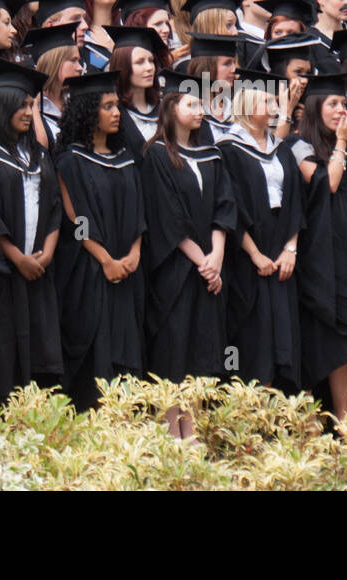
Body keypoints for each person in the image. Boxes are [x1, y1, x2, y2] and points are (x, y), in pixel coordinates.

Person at [140, 72, 238, 437]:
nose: (201, 111)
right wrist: (203, 262)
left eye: (202, 104)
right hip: (175, 270)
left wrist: (217, 257)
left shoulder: (211, 154)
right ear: (170, 108)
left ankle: (193, 430)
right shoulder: (156, 156)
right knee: (173, 347)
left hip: (209, 268)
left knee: (202, 347)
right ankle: (171, 431)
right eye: (192, 104)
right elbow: (167, 216)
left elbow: (225, 207)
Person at [53, 71, 147, 411]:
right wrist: (104, 258)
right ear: (88, 111)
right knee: (97, 356)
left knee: (127, 354)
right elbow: (75, 222)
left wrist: (134, 251)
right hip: (91, 274)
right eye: (107, 106)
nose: (116, 112)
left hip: (128, 271)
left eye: (117, 105)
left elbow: (139, 210)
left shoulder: (126, 159)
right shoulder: (70, 161)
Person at [289, 73, 347, 419]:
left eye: (344, 104)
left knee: (346, 332)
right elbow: (328, 183)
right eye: (333, 104)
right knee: (318, 332)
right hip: (317, 253)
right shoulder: (299, 146)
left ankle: (343, 416)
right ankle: (311, 416)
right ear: (315, 107)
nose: (341, 110)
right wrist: (342, 142)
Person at [0, 60, 63, 401]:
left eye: (32, 105)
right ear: (3, 105)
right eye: (23, 105)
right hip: (5, 275)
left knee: (41, 352)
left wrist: (48, 253)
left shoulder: (37, 153)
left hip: (40, 270)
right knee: (6, 352)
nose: (29, 112)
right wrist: (17, 258)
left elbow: (54, 205)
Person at [216, 71, 304, 389]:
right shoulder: (229, 149)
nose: (274, 106)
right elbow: (230, 206)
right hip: (248, 256)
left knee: (284, 331)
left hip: (281, 249)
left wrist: (290, 249)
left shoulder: (280, 147)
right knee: (254, 335)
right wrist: (254, 255)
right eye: (267, 100)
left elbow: (295, 200)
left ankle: (279, 415)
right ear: (249, 103)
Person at [105, 25, 166, 159]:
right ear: (123, 66)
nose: (149, 67)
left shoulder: (164, 108)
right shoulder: (115, 114)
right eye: (140, 62)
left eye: (151, 61)